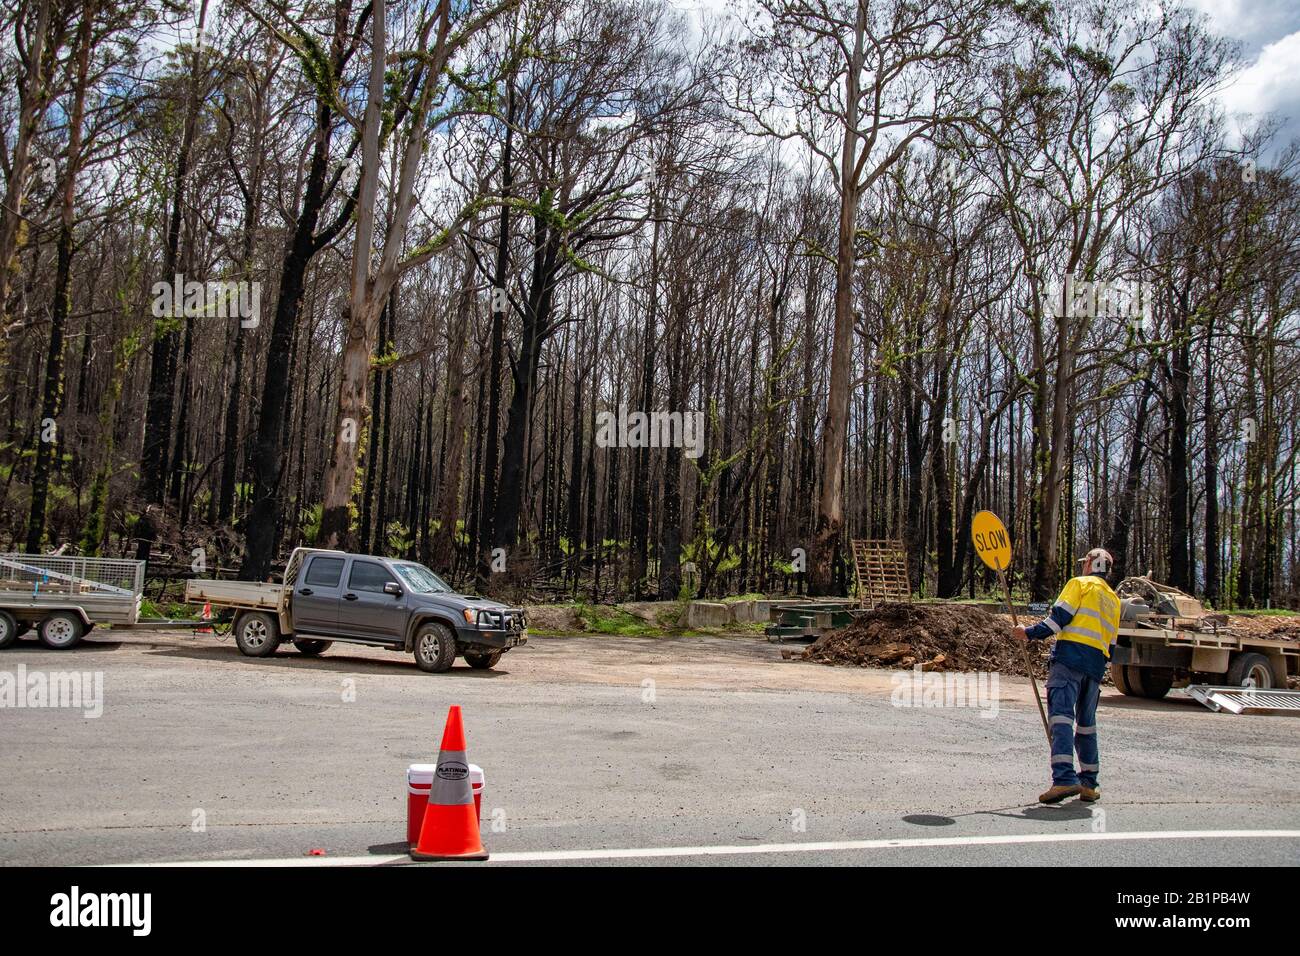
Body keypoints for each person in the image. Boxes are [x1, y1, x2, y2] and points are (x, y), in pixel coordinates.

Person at [1014, 547, 1121, 804]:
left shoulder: (1079, 584)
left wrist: (1028, 633)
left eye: (1086, 563)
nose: (1084, 566)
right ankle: (1089, 784)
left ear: (1091, 565)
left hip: (1069, 660)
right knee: (1086, 726)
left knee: (1061, 720)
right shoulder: (1114, 600)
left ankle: (1063, 779)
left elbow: (1058, 619)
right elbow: (1113, 646)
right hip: (1095, 668)